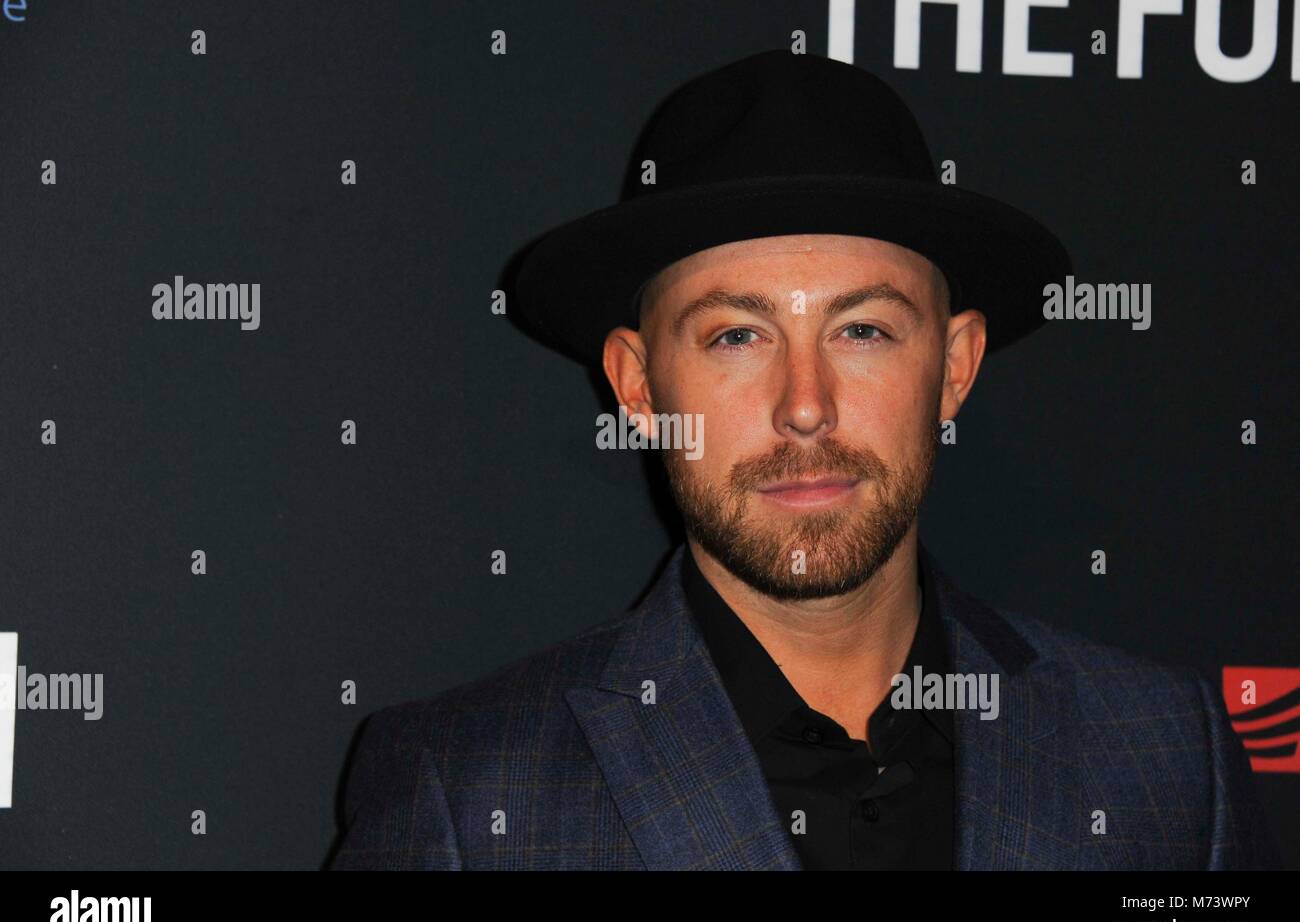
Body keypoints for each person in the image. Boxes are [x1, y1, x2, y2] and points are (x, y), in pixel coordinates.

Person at [328, 50, 1278, 870]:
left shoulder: (1162, 756)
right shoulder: (467, 794)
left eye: (861, 328)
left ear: (953, 368)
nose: (806, 406)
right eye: (736, 337)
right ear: (638, 386)